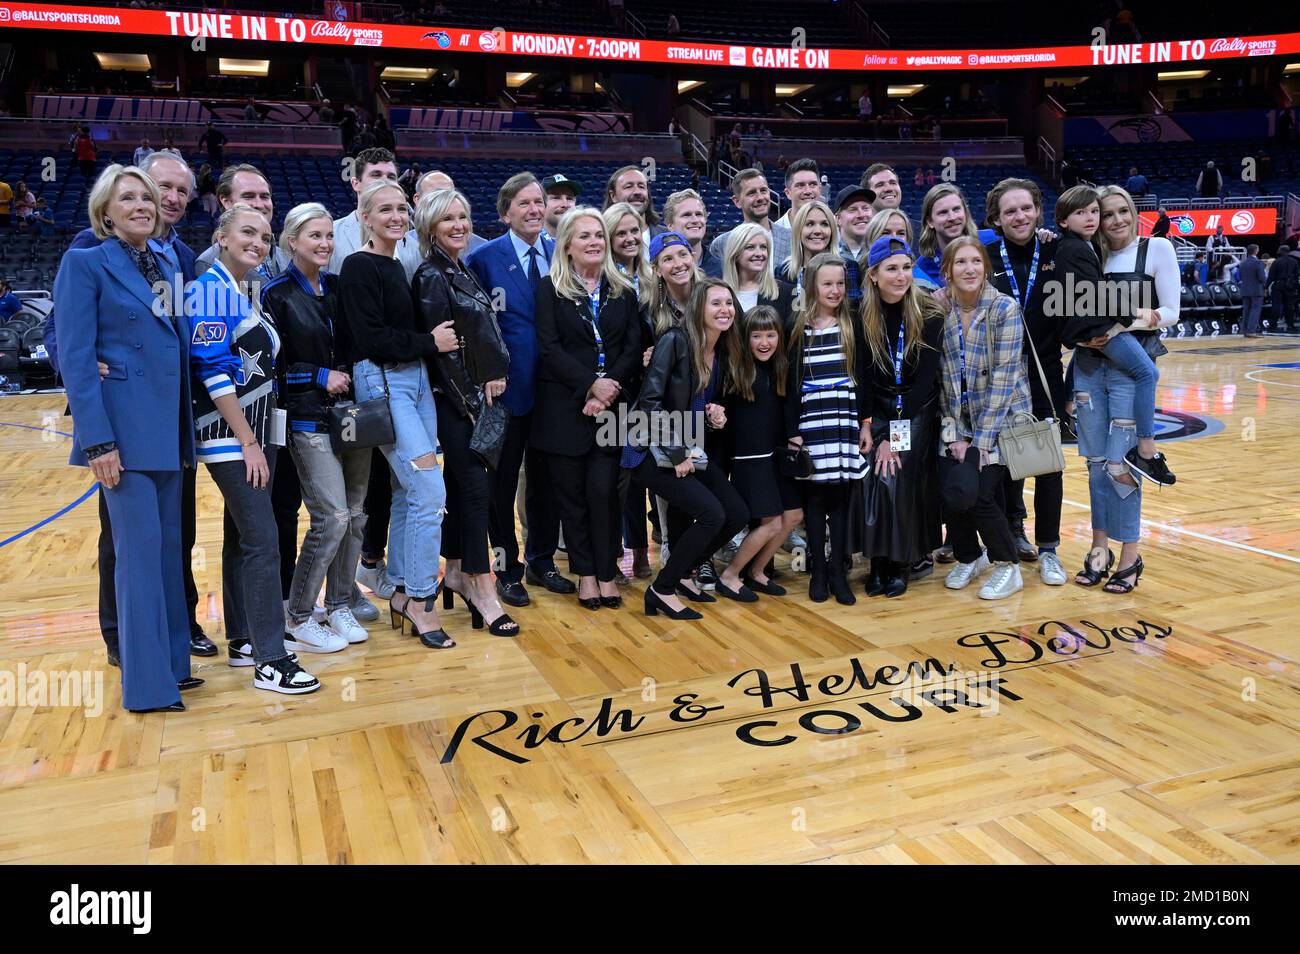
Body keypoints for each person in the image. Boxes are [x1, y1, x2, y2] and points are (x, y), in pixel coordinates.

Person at [45, 153, 215, 665]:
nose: (168, 198)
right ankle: (125, 639)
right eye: (154, 187)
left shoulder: (181, 256)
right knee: (126, 544)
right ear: (108, 208)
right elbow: (67, 334)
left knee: (174, 538)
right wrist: (87, 368)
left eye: (178, 191)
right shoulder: (88, 251)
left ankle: (176, 633)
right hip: (124, 419)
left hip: (170, 423)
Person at [187, 202, 329, 692]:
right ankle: (273, 660)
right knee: (264, 540)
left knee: (242, 537)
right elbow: (211, 371)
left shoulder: (239, 289)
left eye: (265, 236)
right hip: (231, 437)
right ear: (221, 237)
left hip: (255, 432)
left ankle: (244, 638)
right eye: (247, 232)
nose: (257, 242)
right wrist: (248, 441)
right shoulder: (207, 289)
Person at [338, 181, 457, 649]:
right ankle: (425, 601)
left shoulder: (401, 262)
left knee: (411, 493)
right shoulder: (358, 266)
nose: (395, 216)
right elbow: (370, 339)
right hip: (383, 378)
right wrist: (431, 342)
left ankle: (405, 591)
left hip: (416, 379)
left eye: (401, 208)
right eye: (384, 209)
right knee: (429, 490)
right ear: (364, 217)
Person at [262, 203, 371, 650]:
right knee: (332, 517)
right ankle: (298, 613)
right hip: (306, 419)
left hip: (352, 417)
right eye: (314, 236)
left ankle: (341, 604)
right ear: (291, 241)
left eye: (329, 235)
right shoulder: (275, 294)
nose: (325, 244)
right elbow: (268, 371)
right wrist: (318, 375)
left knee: (358, 515)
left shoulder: (340, 287)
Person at [411, 188, 515, 635]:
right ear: (430, 227)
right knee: (474, 491)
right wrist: (473, 402)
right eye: (447, 219)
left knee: (467, 488)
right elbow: (444, 351)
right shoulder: (431, 275)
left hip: (472, 400)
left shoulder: (460, 268)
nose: (458, 225)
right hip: (455, 403)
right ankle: (481, 585)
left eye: (463, 217)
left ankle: (455, 569)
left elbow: (480, 337)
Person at [466, 172, 572, 607]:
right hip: (507, 390)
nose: (533, 210)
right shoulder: (484, 258)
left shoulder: (558, 253)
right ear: (505, 212)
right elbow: (475, 324)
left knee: (545, 482)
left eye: (538, 202)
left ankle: (542, 560)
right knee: (502, 485)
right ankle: (507, 568)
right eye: (524, 204)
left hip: (554, 391)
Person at [534, 206, 641, 609]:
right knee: (573, 499)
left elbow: (632, 347)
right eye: (585, 236)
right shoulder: (550, 289)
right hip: (565, 409)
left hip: (611, 408)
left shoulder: (623, 289)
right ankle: (586, 575)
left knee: (603, 494)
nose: (594, 241)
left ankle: (608, 572)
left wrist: (606, 390)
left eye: (599, 235)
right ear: (567, 246)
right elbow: (550, 348)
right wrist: (590, 385)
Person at [625, 278, 749, 618]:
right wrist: (677, 451)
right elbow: (649, 404)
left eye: (729, 303)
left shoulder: (721, 349)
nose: (725, 310)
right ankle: (662, 589)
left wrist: (713, 415)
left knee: (735, 514)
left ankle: (678, 575)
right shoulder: (675, 340)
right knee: (712, 514)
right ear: (698, 309)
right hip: (649, 448)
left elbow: (694, 404)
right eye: (716, 303)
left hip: (689, 447)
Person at [1056, 185, 1175, 486]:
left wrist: (1131, 321)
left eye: (1122, 211)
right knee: (1096, 462)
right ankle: (1098, 534)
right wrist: (1081, 335)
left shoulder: (1156, 247)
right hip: (1092, 359)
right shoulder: (1091, 250)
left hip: (1127, 350)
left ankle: (1145, 451)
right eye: (1106, 213)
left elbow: (1171, 311)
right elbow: (1071, 299)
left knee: (1120, 465)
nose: (1116, 220)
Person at [936, 236, 1031, 600]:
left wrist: (978, 446)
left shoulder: (1004, 309)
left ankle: (1008, 566)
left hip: (1001, 424)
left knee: (978, 495)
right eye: (960, 262)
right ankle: (969, 557)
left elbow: (1004, 383)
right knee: (951, 489)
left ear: (985, 267)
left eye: (975, 261)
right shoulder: (941, 312)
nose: (969, 269)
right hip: (957, 423)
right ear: (948, 270)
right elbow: (944, 380)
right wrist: (954, 436)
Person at [984, 178, 1068, 580]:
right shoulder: (984, 257)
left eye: (1025, 208)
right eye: (1009, 211)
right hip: (1001, 377)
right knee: (1004, 465)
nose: (1019, 216)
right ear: (997, 220)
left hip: (1046, 374)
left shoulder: (1056, 249)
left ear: (1038, 210)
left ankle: (1049, 548)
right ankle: (1012, 533)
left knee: (1048, 465)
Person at [858, 236, 945, 598]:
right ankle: (877, 561)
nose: (901, 275)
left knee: (902, 482)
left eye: (906, 267)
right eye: (892, 269)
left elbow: (924, 383)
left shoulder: (929, 314)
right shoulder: (860, 315)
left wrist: (893, 438)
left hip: (913, 412)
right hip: (876, 410)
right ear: (874, 274)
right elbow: (861, 375)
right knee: (874, 485)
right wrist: (871, 431)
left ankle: (901, 562)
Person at [785, 252, 871, 605]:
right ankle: (818, 570)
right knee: (815, 501)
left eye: (840, 284)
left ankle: (839, 571)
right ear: (812, 286)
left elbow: (863, 378)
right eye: (827, 284)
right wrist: (792, 429)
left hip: (844, 420)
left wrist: (865, 423)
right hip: (812, 422)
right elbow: (789, 384)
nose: (835, 290)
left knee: (840, 500)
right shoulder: (797, 327)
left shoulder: (853, 324)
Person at [719, 305, 802, 596]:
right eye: (757, 336)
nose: (764, 342)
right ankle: (730, 575)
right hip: (750, 461)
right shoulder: (737, 372)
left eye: (770, 335)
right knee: (770, 523)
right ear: (745, 338)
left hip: (774, 457)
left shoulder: (779, 369)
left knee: (792, 516)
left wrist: (794, 438)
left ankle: (756, 571)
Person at [330, 147, 422, 280]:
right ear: (356, 183)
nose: (385, 181)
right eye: (376, 175)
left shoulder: (412, 245)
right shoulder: (331, 235)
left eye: (391, 177)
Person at [195, 164, 291, 279]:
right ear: (227, 202)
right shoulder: (209, 263)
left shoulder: (287, 258)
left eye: (264, 197)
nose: (259, 204)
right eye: (248, 196)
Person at [914, 183, 999, 292]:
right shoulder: (922, 267)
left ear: (965, 213)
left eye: (956, 209)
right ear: (930, 221)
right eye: (943, 213)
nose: (952, 217)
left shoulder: (993, 240)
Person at [722, 223, 793, 322]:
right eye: (750, 247)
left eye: (763, 247)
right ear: (735, 252)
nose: (759, 254)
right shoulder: (720, 293)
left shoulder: (785, 293)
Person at [777, 199, 838, 301]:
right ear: (798, 230)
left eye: (824, 224)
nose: (818, 231)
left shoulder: (847, 268)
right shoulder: (783, 272)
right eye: (809, 224)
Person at [707, 168, 772, 263]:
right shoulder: (721, 244)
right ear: (737, 201)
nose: (760, 197)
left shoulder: (791, 237)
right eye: (752, 193)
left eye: (763, 191)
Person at [770, 159, 821, 266]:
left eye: (812, 184)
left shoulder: (833, 232)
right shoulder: (772, 235)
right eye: (800, 185)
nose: (807, 191)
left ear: (819, 189)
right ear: (788, 193)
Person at [661, 188, 720, 277]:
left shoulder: (722, 268)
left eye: (699, 214)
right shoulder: (660, 268)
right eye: (686, 215)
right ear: (670, 225)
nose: (695, 220)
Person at [833, 185, 874, 302]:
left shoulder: (883, 255)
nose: (861, 215)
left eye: (866, 208)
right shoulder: (827, 255)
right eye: (853, 209)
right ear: (838, 219)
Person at [604, 202, 652, 296]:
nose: (630, 239)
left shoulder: (651, 275)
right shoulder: (601, 281)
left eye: (634, 231)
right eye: (621, 233)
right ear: (609, 238)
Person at [603, 165, 662, 237]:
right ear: (613, 196)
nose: (637, 192)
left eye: (641, 186)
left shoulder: (668, 236)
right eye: (628, 187)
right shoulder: (601, 237)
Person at [1239, 243, 1268, 338]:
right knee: (1255, 310)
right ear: (1256, 251)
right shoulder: (1258, 263)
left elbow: (1241, 276)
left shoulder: (1242, 263)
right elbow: (1262, 278)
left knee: (1246, 310)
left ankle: (1245, 330)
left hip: (1245, 290)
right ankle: (1251, 331)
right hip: (1256, 290)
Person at [1267, 245, 1299, 330]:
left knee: (1276, 306)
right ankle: (1290, 325)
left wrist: (1265, 287)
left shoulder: (1276, 262)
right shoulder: (1294, 261)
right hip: (1290, 286)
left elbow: (1271, 276)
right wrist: (1296, 287)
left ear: (1282, 251)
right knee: (1289, 306)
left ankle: (1273, 325)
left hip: (1278, 286)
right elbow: (1297, 275)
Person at [542, 173, 582, 239]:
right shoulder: (530, 242)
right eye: (556, 198)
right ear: (541, 204)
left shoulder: (584, 242)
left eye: (569, 198)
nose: (565, 204)